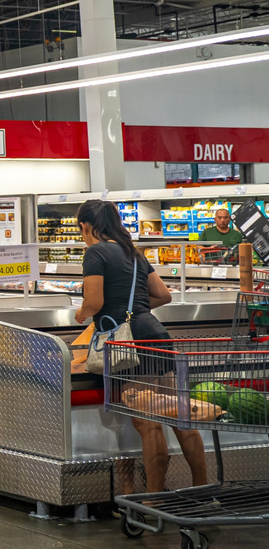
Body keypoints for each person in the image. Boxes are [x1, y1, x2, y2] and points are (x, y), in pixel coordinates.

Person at [75, 200, 207, 493]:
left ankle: (153, 499)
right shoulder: (132, 252)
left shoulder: (95, 252)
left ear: (86, 226)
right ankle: (202, 489)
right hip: (155, 334)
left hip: (128, 344)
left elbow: (94, 302)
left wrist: (82, 312)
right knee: (178, 416)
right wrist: (137, 308)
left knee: (148, 423)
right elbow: (163, 295)